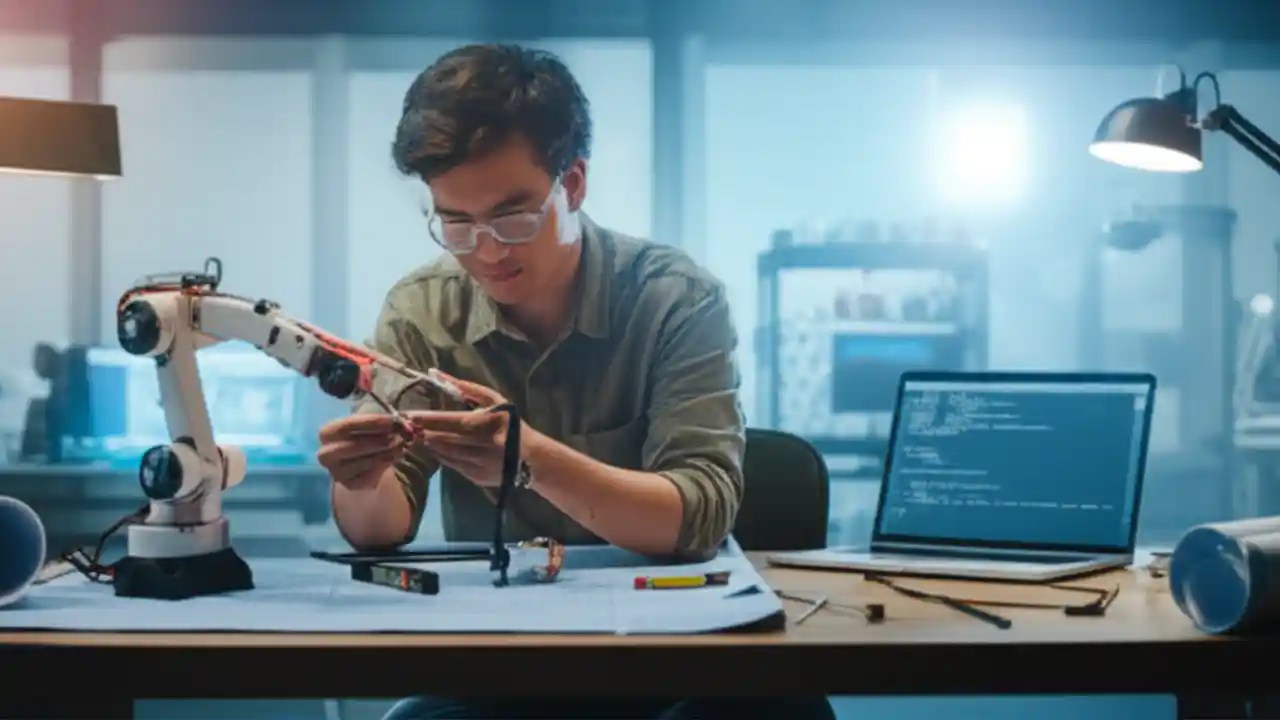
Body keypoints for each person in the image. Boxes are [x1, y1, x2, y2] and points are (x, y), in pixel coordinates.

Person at [315, 43, 835, 720]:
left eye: (513, 217)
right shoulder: (420, 311)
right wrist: (357, 483)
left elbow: (700, 511)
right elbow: (382, 528)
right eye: (457, 223)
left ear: (575, 183)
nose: (488, 251)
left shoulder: (676, 300)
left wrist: (526, 457)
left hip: (673, 661)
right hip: (498, 667)